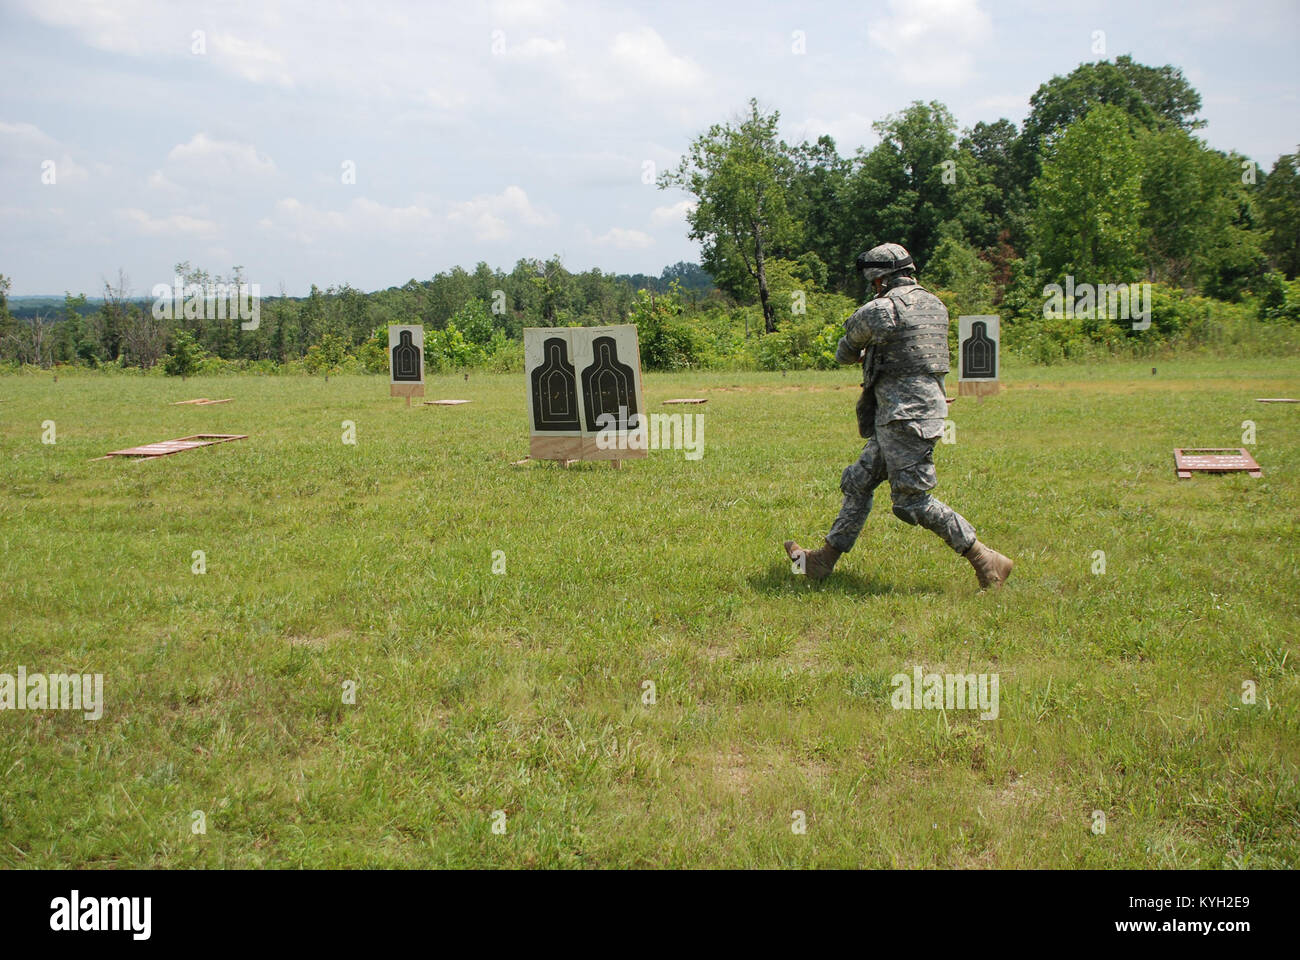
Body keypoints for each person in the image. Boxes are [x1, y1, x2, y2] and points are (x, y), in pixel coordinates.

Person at [783, 243, 1012, 590]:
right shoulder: (936, 305)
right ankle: (821, 561)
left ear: (878, 280)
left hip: (903, 418)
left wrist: (862, 349)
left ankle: (986, 560)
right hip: (914, 413)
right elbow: (923, 355)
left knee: (912, 501)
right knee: (859, 481)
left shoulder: (879, 310)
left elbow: (844, 352)